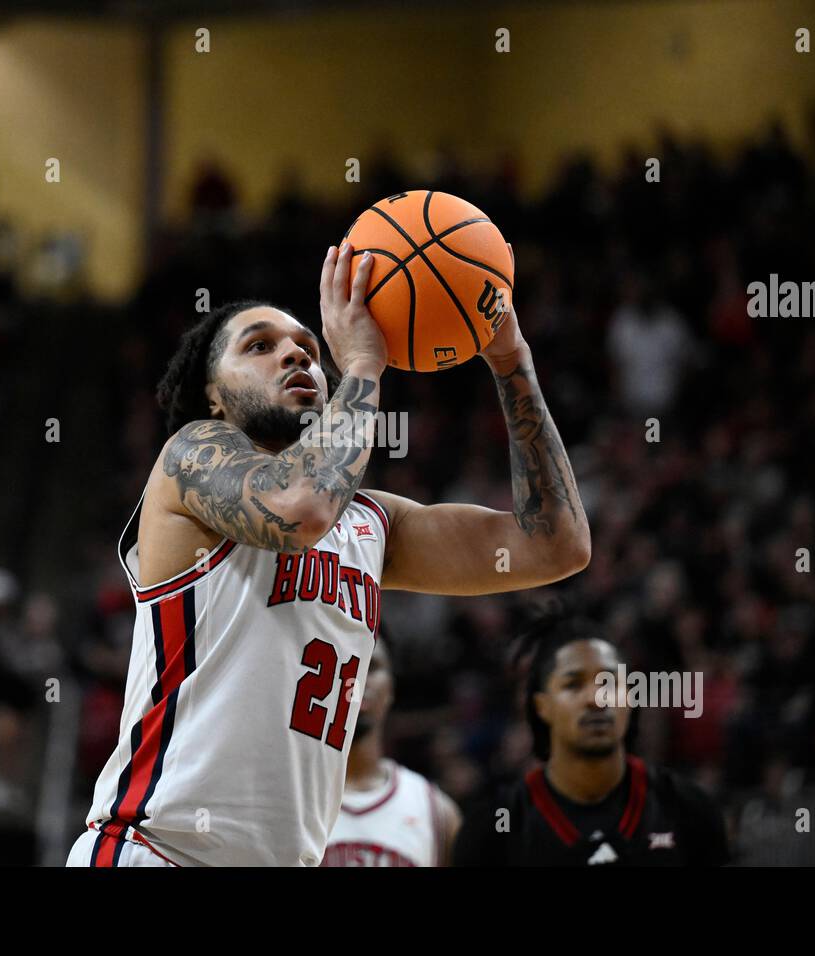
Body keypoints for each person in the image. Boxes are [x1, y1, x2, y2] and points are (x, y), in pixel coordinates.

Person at [68, 241, 590, 867]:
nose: (295, 354)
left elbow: (556, 545)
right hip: (159, 850)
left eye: (311, 352)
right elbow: (300, 512)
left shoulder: (373, 523)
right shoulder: (191, 458)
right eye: (258, 346)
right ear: (212, 396)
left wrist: (511, 363)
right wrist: (364, 366)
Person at [453, 613, 729, 866]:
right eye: (573, 684)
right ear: (541, 706)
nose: (596, 700)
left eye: (609, 683)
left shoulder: (689, 809)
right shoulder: (493, 829)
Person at [321, 630, 461, 867]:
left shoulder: (437, 811)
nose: (357, 679)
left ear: (392, 688)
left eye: (371, 666)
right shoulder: (286, 800)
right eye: (346, 662)